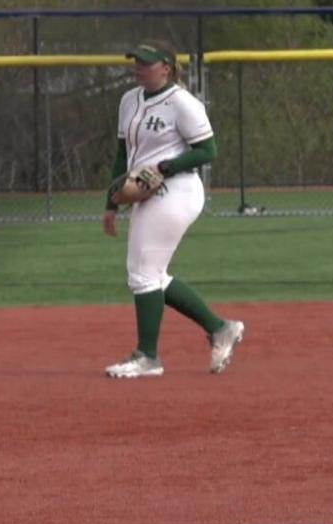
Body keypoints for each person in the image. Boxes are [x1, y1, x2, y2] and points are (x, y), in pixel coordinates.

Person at [101, 40, 245, 379]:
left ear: (166, 67)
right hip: (145, 192)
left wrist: (166, 167)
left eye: (147, 62)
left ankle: (147, 357)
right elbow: (122, 155)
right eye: (136, 61)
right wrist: (111, 203)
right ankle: (219, 328)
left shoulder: (183, 102)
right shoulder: (128, 100)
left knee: (142, 274)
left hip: (177, 189)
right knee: (153, 276)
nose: (139, 67)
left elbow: (208, 150)